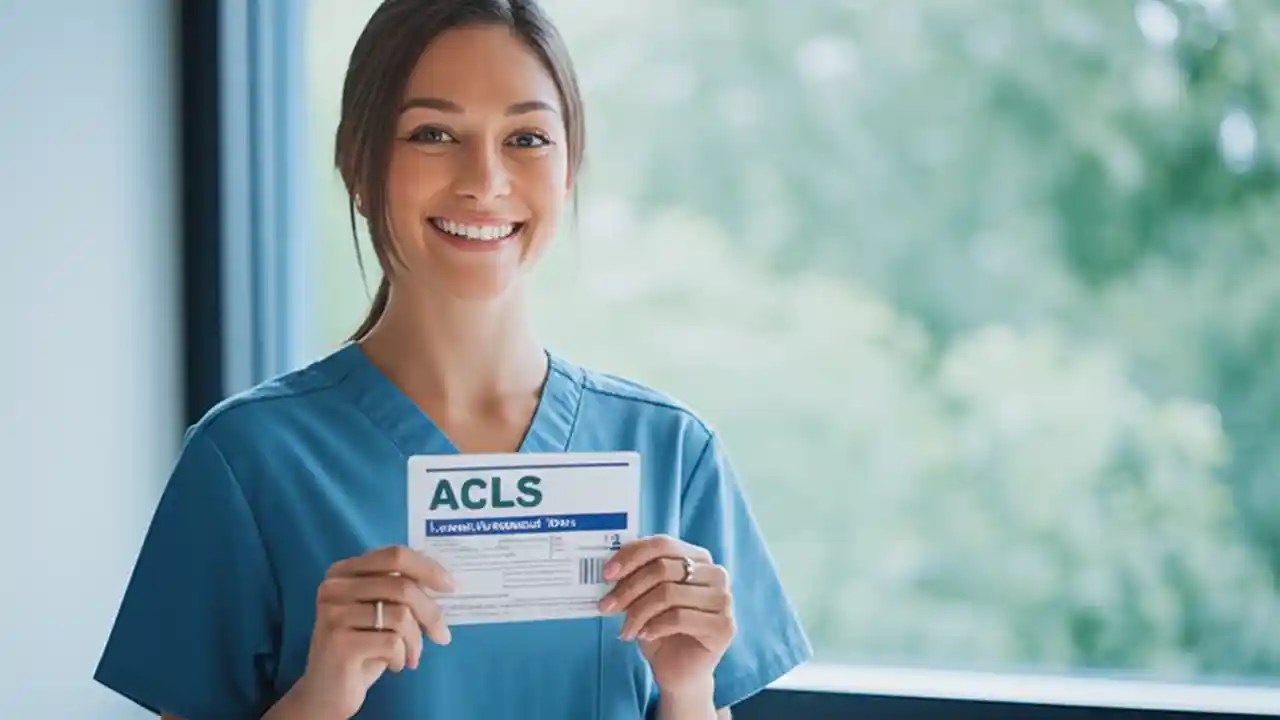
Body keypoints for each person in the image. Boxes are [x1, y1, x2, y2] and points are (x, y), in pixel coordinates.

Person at [93, 1, 811, 718]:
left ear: (569, 172)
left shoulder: (671, 452)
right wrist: (324, 692)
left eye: (526, 138)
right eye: (433, 133)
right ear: (357, 161)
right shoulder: (248, 460)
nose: (484, 180)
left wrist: (689, 689)